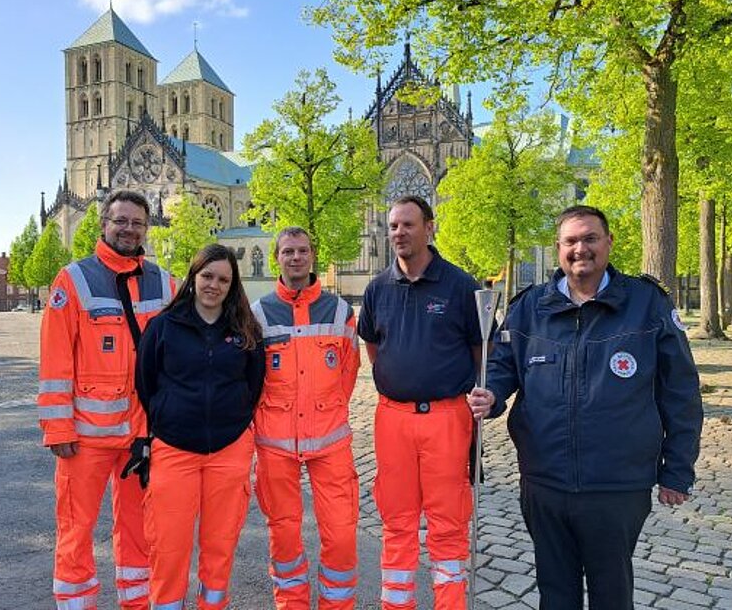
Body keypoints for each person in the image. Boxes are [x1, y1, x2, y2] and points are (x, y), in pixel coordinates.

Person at [468, 205, 703, 610]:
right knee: (554, 592)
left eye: (590, 238)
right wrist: (490, 396)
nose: (581, 249)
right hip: (544, 481)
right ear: (558, 248)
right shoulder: (529, 307)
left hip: (616, 486)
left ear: (609, 243)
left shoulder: (646, 304)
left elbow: (680, 392)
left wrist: (677, 470)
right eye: (571, 241)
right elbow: (503, 367)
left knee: (611, 593)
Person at [37, 189, 176, 610]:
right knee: (76, 530)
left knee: (138, 531)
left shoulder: (165, 282)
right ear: (103, 224)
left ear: (146, 229)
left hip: (141, 436)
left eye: (137, 223)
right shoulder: (74, 279)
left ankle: (136, 603)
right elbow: (55, 360)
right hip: (85, 436)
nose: (129, 229)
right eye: (121, 221)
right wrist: (58, 427)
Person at [358, 195, 483, 610]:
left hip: (447, 417)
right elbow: (374, 347)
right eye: (393, 226)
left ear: (429, 228)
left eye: (408, 225)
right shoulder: (378, 288)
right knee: (397, 521)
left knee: (448, 524)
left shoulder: (460, 285)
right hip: (392, 419)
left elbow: (481, 349)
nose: (399, 233)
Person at [135, 244, 266, 610]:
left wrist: (234, 418)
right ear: (193, 278)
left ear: (232, 284)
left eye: (223, 279)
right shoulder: (163, 326)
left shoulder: (244, 329)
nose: (214, 285)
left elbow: (254, 383)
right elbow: (146, 383)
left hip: (229, 451)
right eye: (207, 276)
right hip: (175, 450)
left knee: (220, 545)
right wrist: (168, 416)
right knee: (168, 546)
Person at [251, 227, 361, 610]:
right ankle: (291, 603)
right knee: (283, 534)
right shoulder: (259, 313)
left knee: (343, 532)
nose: (295, 257)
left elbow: (348, 371)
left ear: (313, 255)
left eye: (302, 251)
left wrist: (323, 411)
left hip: (330, 440)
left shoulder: (341, 311)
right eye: (287, 252)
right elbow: (252, 378)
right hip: (275, 443)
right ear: (276, 258)